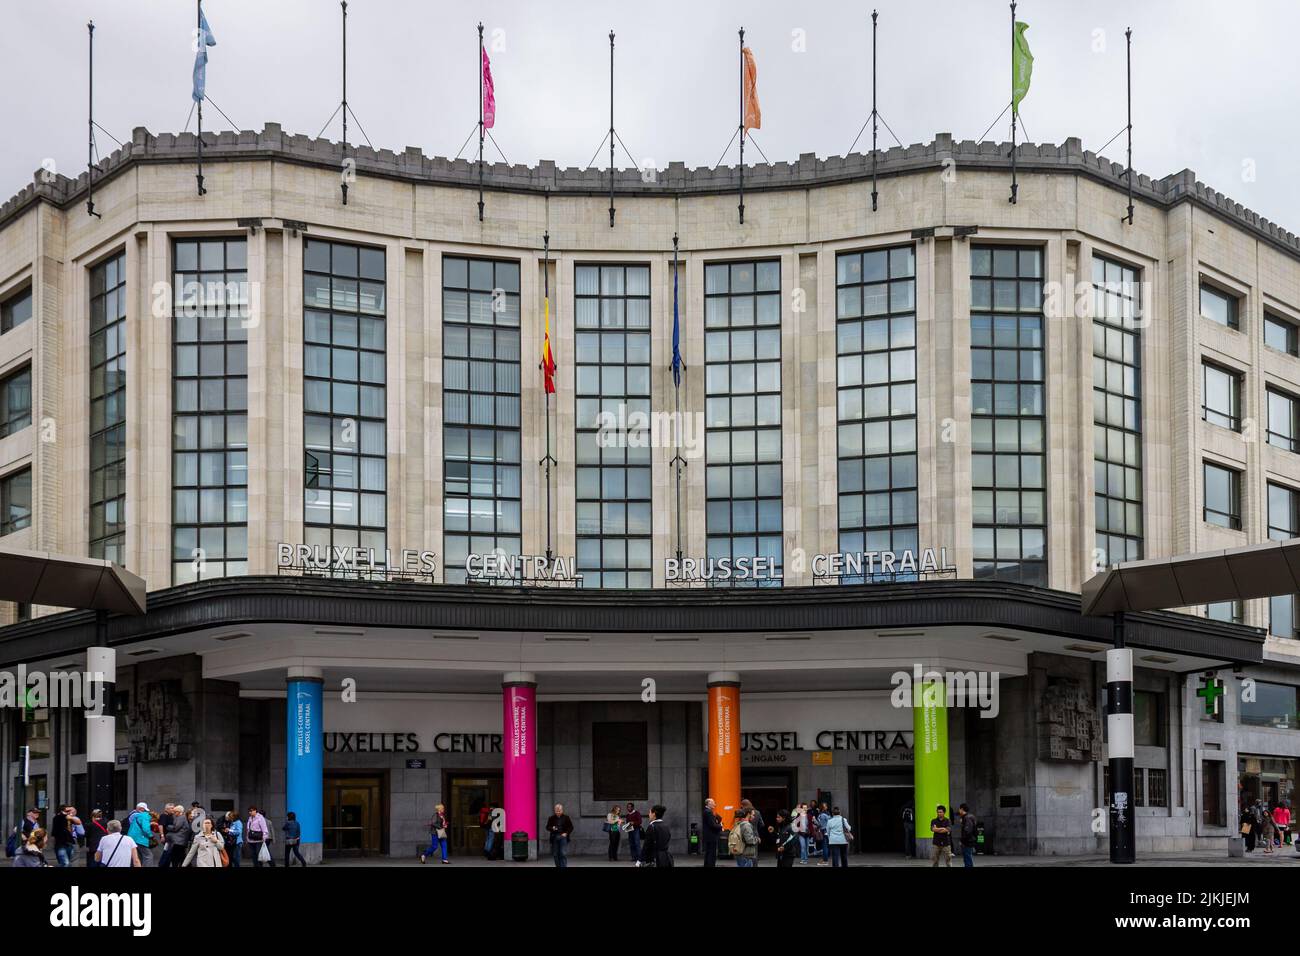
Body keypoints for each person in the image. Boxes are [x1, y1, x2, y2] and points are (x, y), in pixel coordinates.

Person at [126, 802, 155, 867]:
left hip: (132, 838)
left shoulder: (135, 815)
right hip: (140, 839)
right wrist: (151, 835)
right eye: (145, 810)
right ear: (142, 809)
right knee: (148, 856)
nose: (146, 812)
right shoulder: (144, 815)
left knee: (137, 856)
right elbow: (145, 828)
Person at [545, 803, 574, 868]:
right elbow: (547, 827)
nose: (558, 812)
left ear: (562, 810)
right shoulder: (551, 818)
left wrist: (566, 833)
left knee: (563, 853)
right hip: (554, 837)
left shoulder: (566, 818)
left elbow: (571, 827)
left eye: (559, 811)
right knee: (555, 854)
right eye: (557, 811)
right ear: (554, 810)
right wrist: (552, 828)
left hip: (563, 837)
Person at [164, 802, 192, 868]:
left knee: (175, 857)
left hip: (179, 842)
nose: (174, 813)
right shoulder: (181, 817)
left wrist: (168, 826)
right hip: (180, 841)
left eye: (175, 812)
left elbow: (175, 828)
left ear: (179, 812)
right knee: (180, 856)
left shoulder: (181, 817)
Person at [701, 798, 723, 867]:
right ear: (709, 803)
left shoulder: (707, 811)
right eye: (713, 803)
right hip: (711, 836)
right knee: (711, 854)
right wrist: (720, 826)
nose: (714, 804)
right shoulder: (708, 812)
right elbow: (712, 825)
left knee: (708, 853)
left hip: (708, 836)